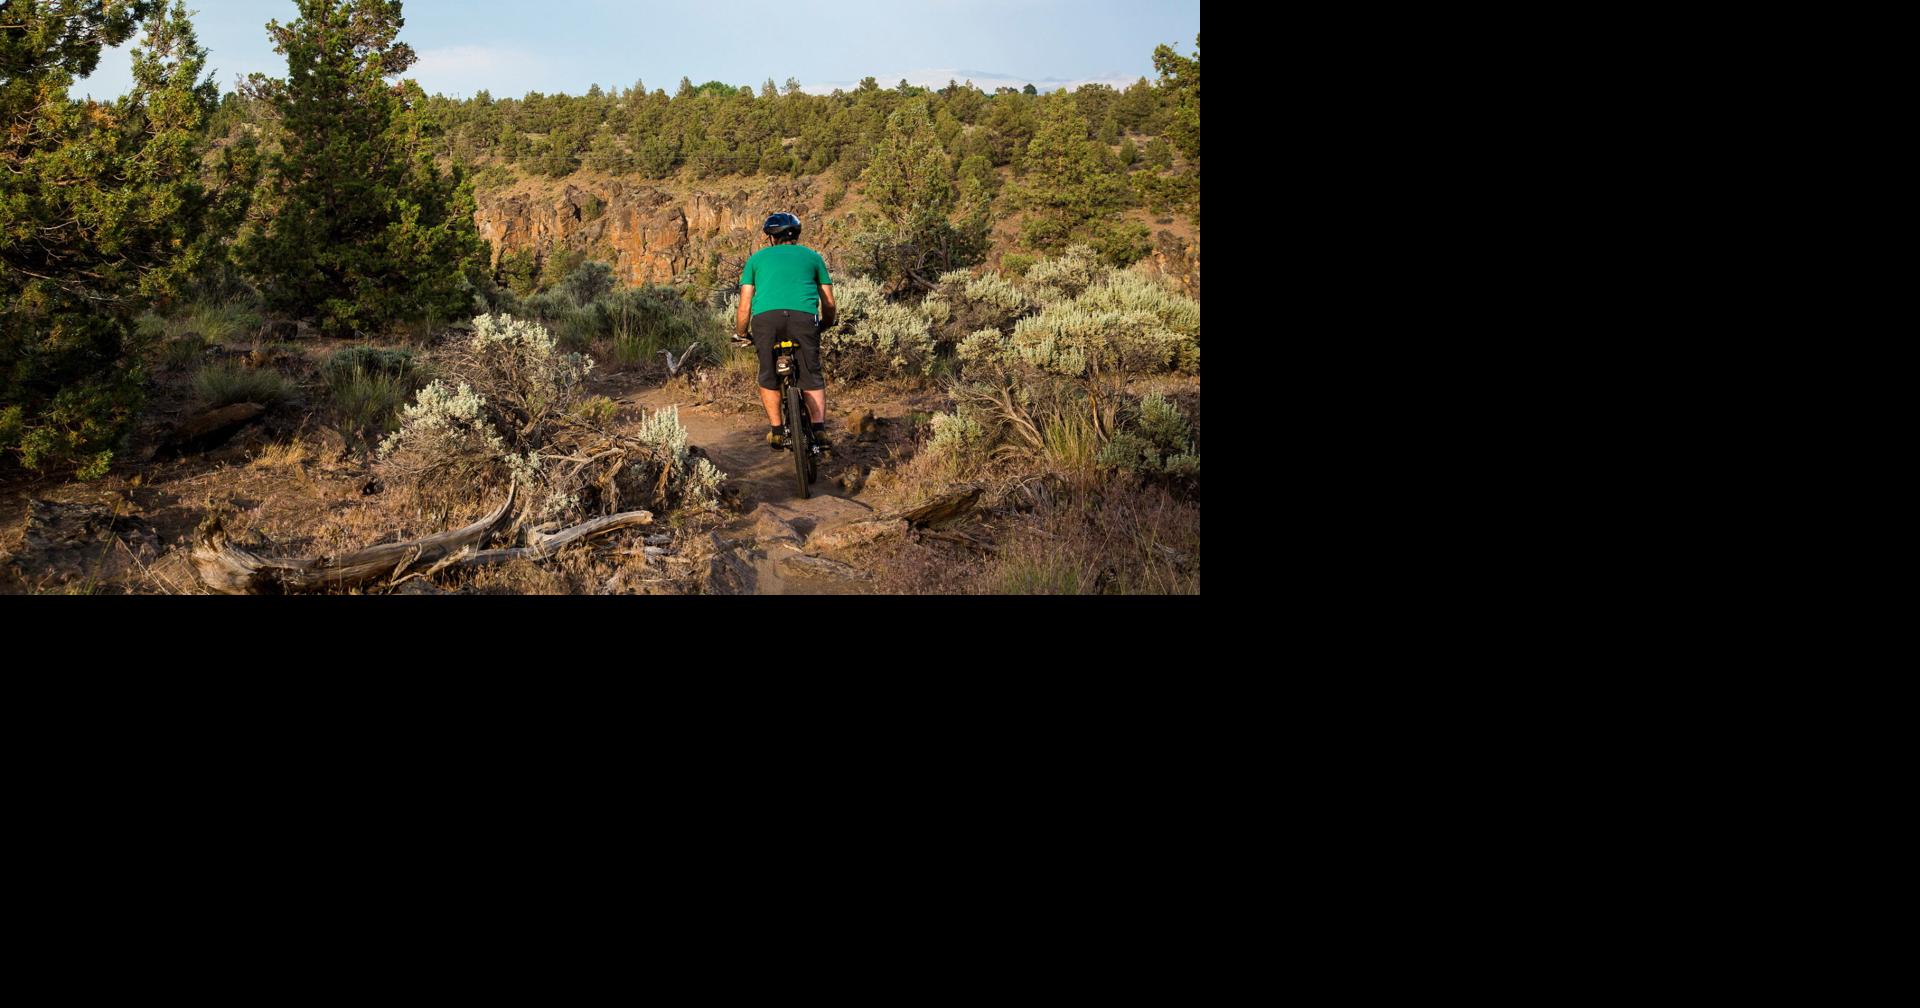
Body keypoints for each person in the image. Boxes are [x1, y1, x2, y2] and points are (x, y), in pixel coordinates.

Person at [734, 212, 837, 455]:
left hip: (765, 321)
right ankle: (819, 429)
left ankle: (778, 431)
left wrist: (741, 333)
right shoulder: (813, 257)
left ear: (771, 238)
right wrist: (826, 323)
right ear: (796, 235)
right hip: (804, 319)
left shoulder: (756, 259)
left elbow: (745, 305)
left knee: (768, 374)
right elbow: (829, 302)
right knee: (811, 372)